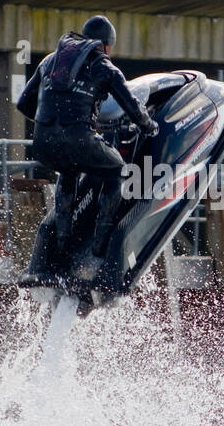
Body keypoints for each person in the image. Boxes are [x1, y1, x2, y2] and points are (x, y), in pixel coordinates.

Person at [15, 16, 159, 256]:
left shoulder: (51, 61)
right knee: (116, 169)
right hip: (78, 141)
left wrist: (50, 125)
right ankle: (100, 242)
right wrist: (150, 126)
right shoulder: (104, 66)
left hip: (42, 144)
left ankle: (62, 242)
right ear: (106, 45)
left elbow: (23, 104)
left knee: (68, 170)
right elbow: (133, 108)